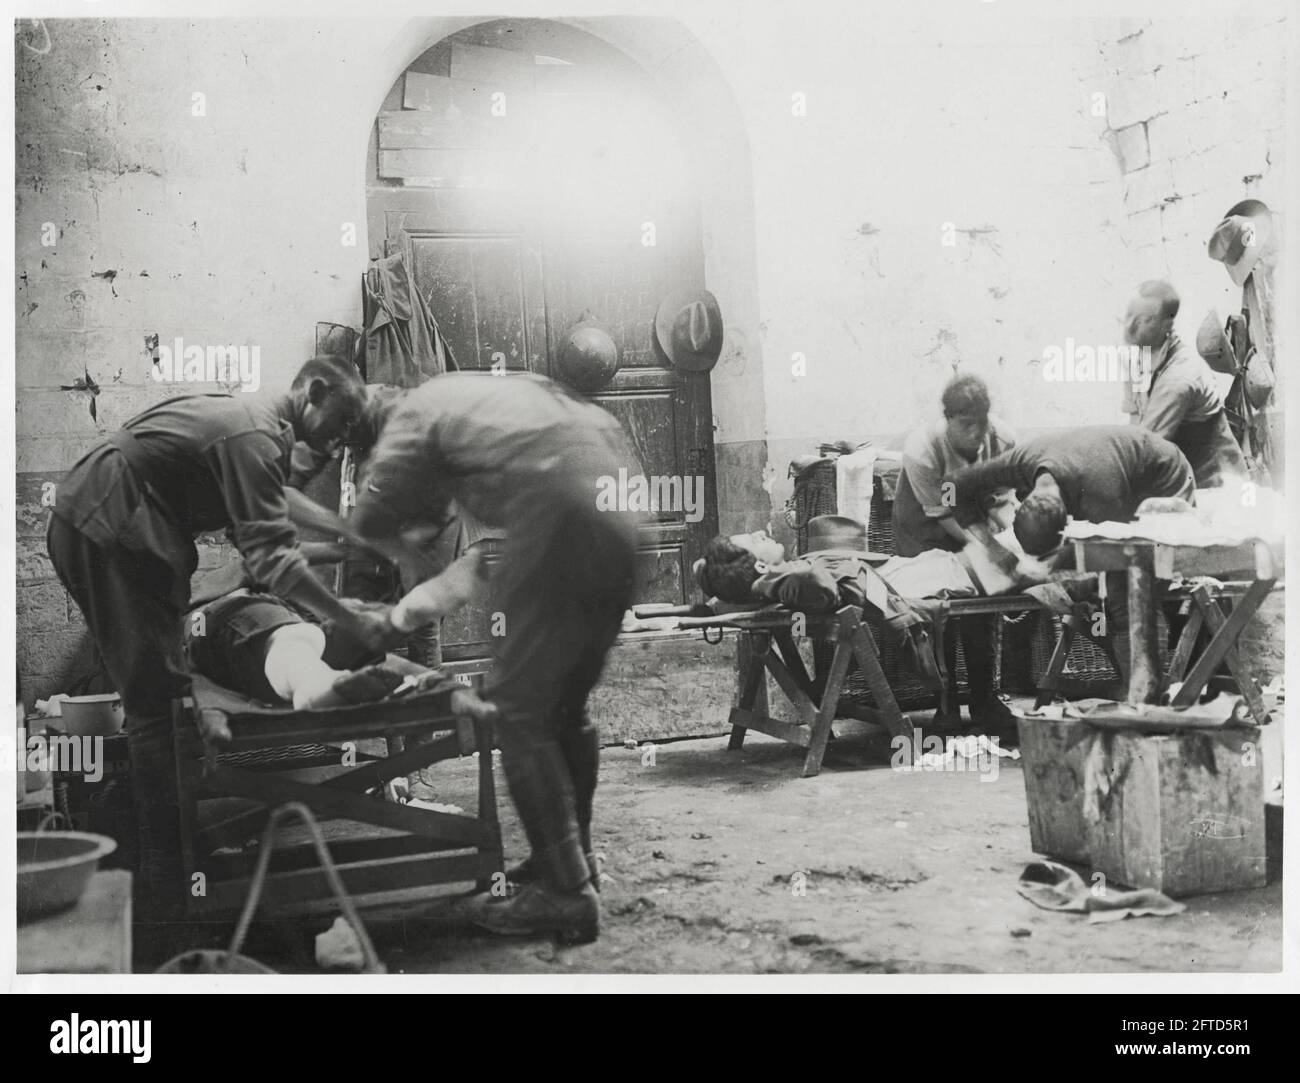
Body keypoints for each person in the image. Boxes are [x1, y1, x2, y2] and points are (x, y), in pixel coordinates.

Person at [46, 356, 394, 919]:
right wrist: (349, 618)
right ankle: (170, 887)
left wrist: (349, 539)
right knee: (158, 710)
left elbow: (272, 516)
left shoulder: (256, 432)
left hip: (106, 517)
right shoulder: (255, 436)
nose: (344, 436)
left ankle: (170, 855)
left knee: (163, 696)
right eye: (344, 420)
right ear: (314, 390)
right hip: (114, 519)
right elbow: (272, 561)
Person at [348, 371, 641, 945]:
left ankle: (566, 897)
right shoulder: (488, 395)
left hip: (560, 508)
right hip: (622, 505)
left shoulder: (411, 416)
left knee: (517, 711)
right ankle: (571, 865)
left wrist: (402, 587)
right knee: (563, 706)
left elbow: (368, 521)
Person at [948, 425, 1195, 685]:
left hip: (1165, 480)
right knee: (1105, 588)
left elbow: (1119, 551)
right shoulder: (1021, 462)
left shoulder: (1101, 497)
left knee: (1126, 590)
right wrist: (992, 547)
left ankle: (1146, 699)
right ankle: (1138, 685)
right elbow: (953, 486)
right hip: (1107, 464)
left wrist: (1060, 564)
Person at [894, 373, 1018, 732]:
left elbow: (1003, 499)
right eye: (965, 424)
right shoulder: (923, 449)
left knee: (984, 606)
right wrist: (985, 548)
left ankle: (984, 700)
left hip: (976, 520)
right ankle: (944, 702)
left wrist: (1009, 540)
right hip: (925, 528)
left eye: (981, 423)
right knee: (937, 610)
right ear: (947, 419)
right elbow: (943, 514)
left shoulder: (1004, 440)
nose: (975, 433)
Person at [693, 522, 944, 693]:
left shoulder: (769, 585)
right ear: (761, 567)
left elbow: (718, 601)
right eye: (753, 540)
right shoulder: (785, 581)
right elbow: (821, 585)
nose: (760, 532)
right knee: (962, 563)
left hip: (893, 576)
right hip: (905, 580)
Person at [1122, 279, 1246, 489]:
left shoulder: (1179, 377)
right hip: (1188, 484)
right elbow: (1134, 430)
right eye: (1128, 315)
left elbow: (1144, 452)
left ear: (1166, 325)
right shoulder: (1141, 357)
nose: (1129, 326)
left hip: (1220, 491)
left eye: (1142, 320)